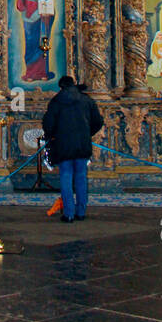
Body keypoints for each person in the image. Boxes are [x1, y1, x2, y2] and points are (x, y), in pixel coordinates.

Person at [41, 76, 103, 222]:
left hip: (63, 146)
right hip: (82, 144)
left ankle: (68, 213)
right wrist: (88, 133)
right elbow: (98, 121)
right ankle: (81, 212)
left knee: (66, 176)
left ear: (61, 86)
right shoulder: (86, 100)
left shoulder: (56, 101)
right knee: (81, 177)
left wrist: (52, 136)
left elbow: (48, 124)